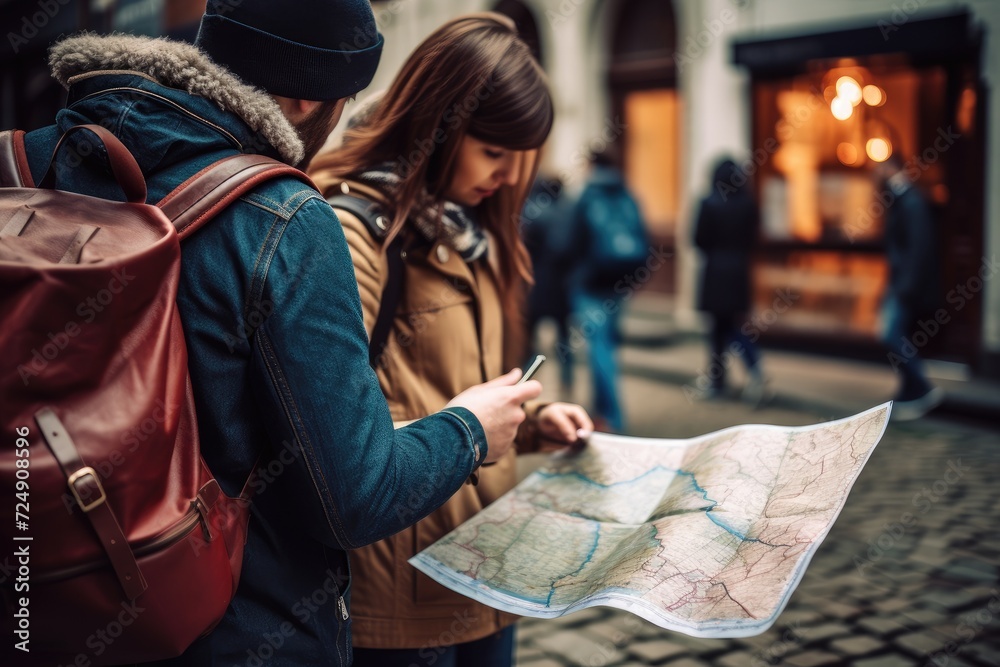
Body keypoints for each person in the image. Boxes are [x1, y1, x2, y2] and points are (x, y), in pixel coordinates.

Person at [16, 1, 542, 664]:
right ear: (303, 99)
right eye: (342, 100)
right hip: (234, 623)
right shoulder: (287, 220)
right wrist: (469, 430)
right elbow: (355, 497)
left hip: (41, 597)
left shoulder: (31, 163)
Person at [309, 14, 593, 667]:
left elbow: (461, 392)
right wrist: (470, 426)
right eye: (493, 151)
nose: (508, 172)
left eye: (520, 155)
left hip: (488, 574)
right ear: (438, 128)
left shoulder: (470, 229)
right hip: (402, 598)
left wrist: (533, 423)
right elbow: (332, 443)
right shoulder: (351, 233)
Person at [562, 147, 647, 432]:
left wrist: (574, 274)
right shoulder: (627, 193)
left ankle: (612, 417)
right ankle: (601, 410)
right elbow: (643, 238)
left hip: (591, 284)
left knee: (600, 348)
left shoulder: (587, 195)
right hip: (618, 283)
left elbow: (571, 241)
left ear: (592, 165)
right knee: (607, 344)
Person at [693, 157, 769, 406]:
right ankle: (725, 379)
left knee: (722, 329)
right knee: (729, 327)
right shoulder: (748, 204)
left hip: (715, 273)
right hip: (738, 273)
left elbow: (698, 239)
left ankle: (748, 373)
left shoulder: (708, 203)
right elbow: (753, 238)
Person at [874, 153, 944, 420]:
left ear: (891, 168)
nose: (875, 172)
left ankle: (922, 386)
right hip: (900, 282)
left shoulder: (911, 201)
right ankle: (910, 389)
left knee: (890, 333)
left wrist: (906, 287)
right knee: (896, 333)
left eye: (879, 167)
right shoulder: (900, 199)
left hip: (905, 285)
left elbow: (919, 249)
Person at [523, 176, 575, 397]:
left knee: (530, 341)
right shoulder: (569, 213)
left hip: (536, 286)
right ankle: (567, 384)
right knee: (564, 341)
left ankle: (526, 384)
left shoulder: (531, 214)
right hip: (563, 287)